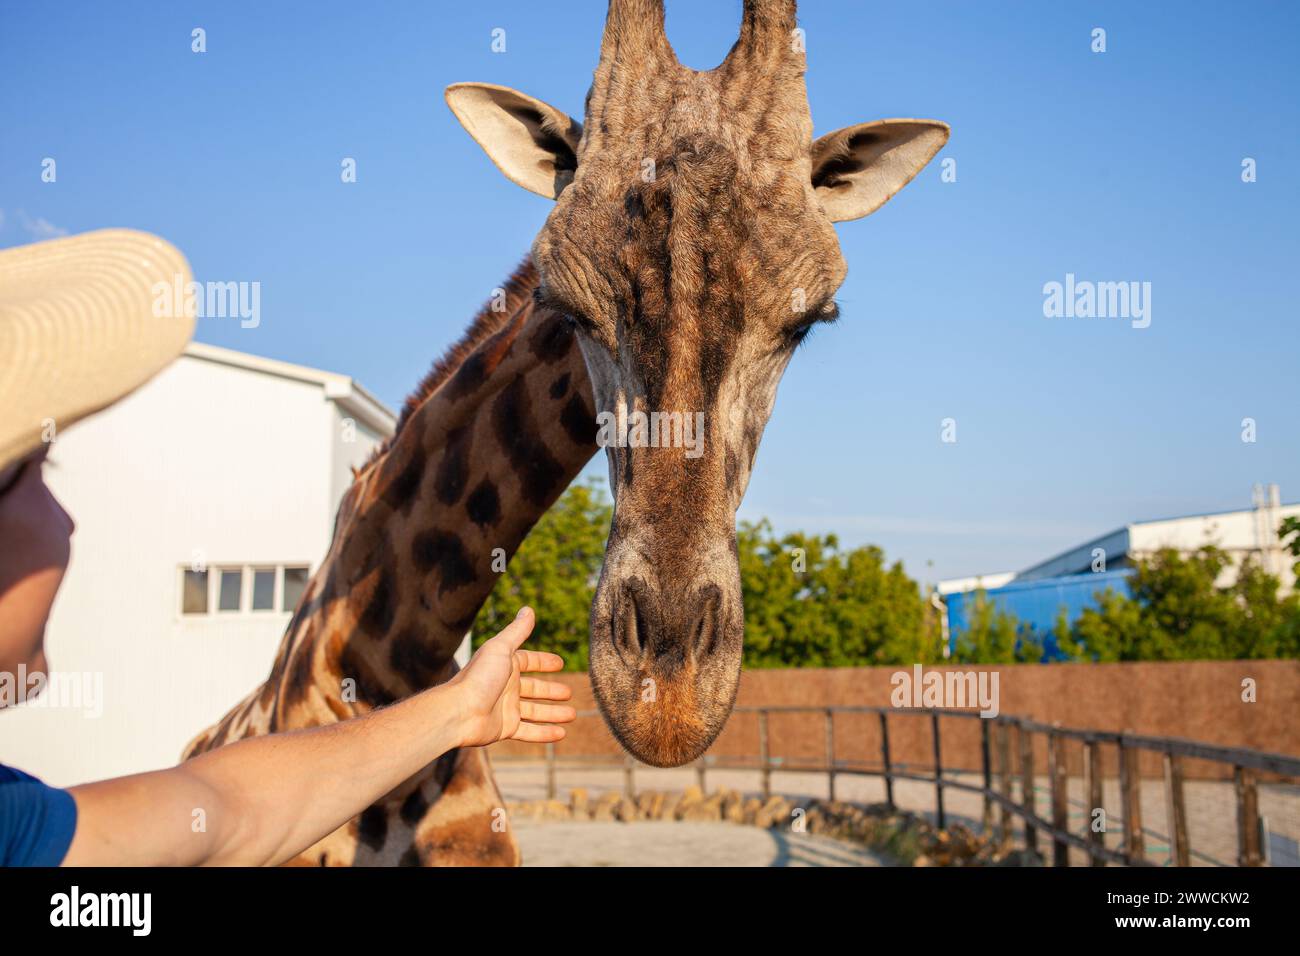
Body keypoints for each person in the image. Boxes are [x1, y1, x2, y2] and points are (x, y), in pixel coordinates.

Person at [0, 229, 574, 866]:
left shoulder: (20, 824)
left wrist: (458, 709)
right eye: (39, 471)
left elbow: (229, 814)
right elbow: (223, 819)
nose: (67, 520)